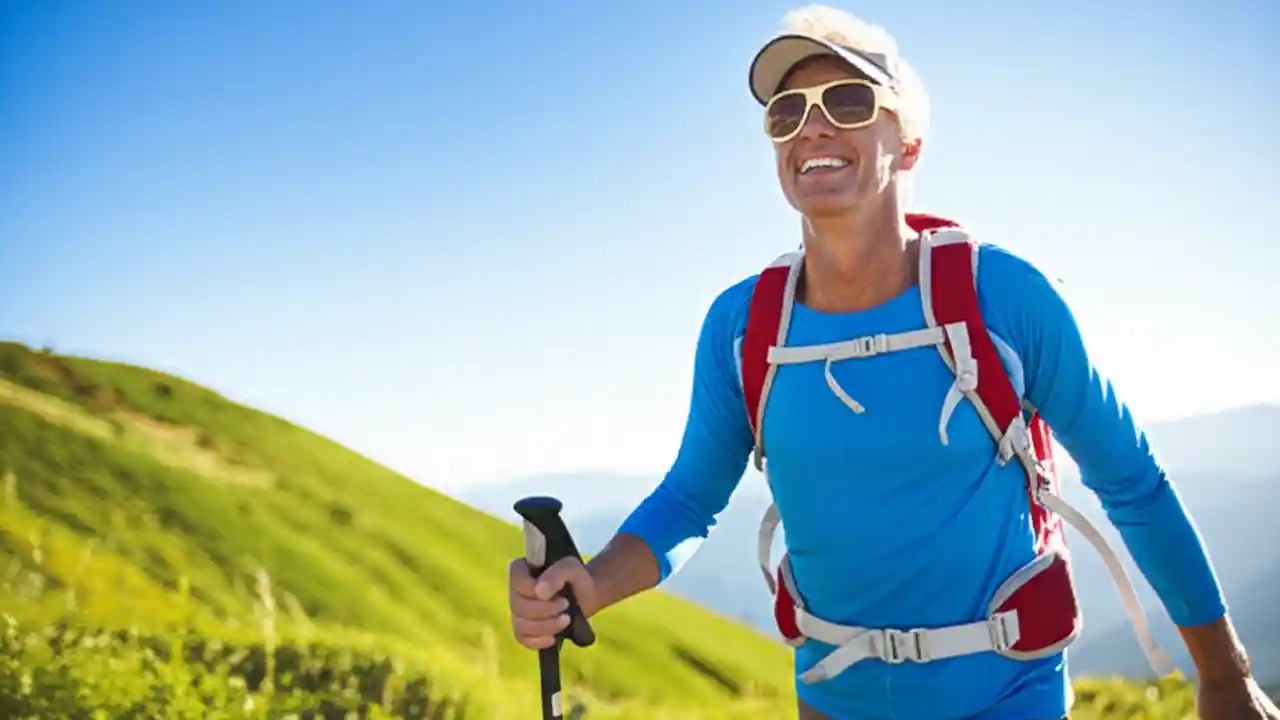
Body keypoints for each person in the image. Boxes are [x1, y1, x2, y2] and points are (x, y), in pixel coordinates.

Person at [507, 5, 1278, 719]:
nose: (811, 129)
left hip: (1010, 697)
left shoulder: (1004, 299)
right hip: (832, 702)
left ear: (907, 141)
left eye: (846, 103)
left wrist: (1224, 673)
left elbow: (1132, 481)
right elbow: (690, 500)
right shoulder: (741, 328)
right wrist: (593, 583)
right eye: (787, 114)